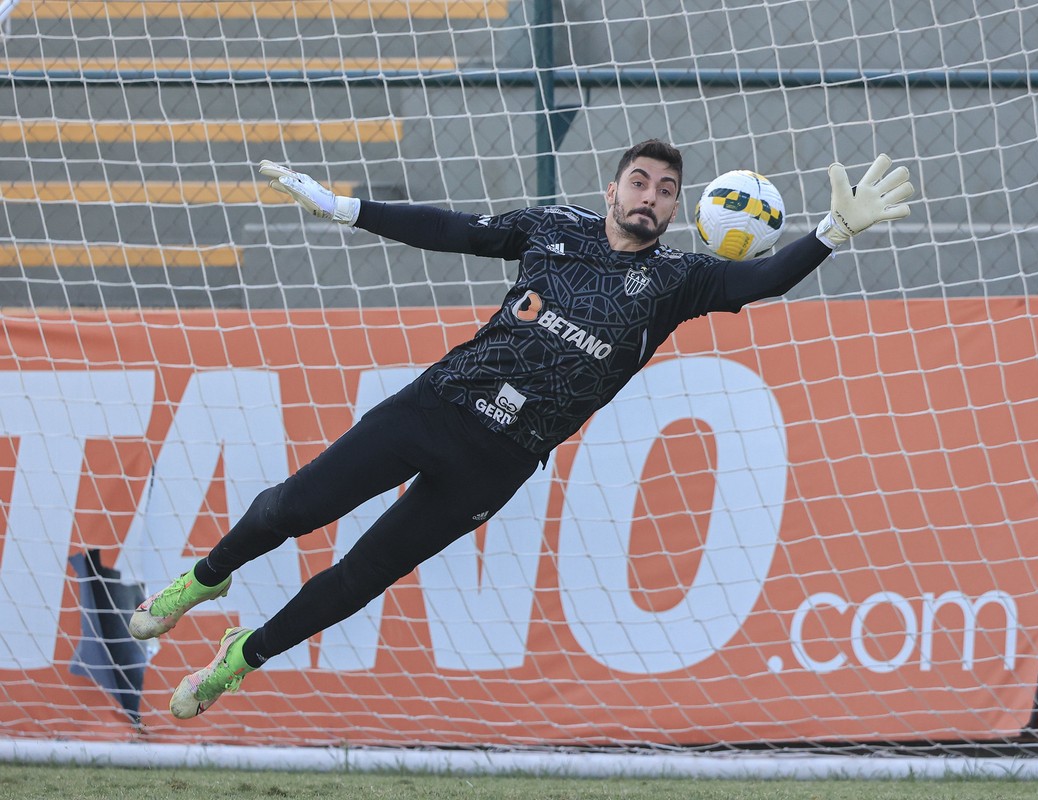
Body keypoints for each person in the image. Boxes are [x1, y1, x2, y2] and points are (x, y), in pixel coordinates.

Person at [129, 139, 914, 719]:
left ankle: (241, 660)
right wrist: (346, 208)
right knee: (290, 509)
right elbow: (453, 230)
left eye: (666, 189)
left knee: (363, 576)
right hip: (436, 407)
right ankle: (204, 580)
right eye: (639, 181)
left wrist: (830, 235)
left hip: (498, 462)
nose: (650, 195)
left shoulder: (682, 278)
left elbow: (760, 279)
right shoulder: (553, 227)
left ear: (680, 209)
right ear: (613, 189)